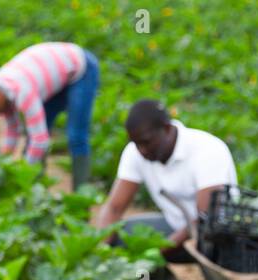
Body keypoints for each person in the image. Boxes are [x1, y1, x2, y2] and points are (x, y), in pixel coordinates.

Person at [93, 99, 237, 264]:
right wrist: (99, 250)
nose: (141, 150)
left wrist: (156, 251)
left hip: (214, 237)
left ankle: (153, 277)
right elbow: (114, 208)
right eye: (136, 143)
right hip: (174, 227)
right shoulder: (135, 152)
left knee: (144, 258)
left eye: (146, 142)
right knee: (119, 236)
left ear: (167, 129)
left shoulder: (207, 151)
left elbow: (204, 221)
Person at [0, 42, 100, 191]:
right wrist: (1, 162)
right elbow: (13, 129)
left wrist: (24, 171)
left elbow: (40, 140)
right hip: (56, 72)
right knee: (35, 131)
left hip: (80, 68)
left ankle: (81, 196)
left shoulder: (23, 92)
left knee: (76, 136)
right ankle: (37, 194)